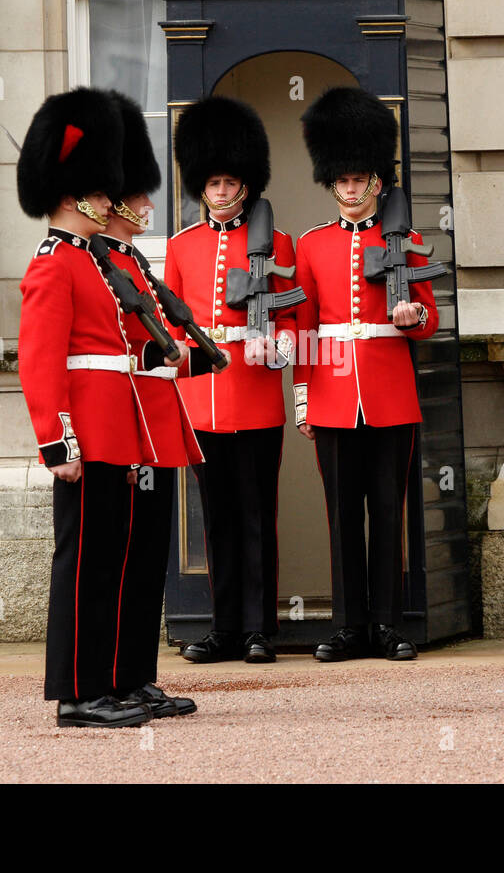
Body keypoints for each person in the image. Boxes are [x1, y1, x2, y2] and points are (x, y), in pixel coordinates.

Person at [16, 86, 205, 728]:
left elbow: (125, 348)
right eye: (101, 192)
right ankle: (76, 693)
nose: (111, 199)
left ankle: (121, 680)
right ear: (77, 196)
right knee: (86, 562)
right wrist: (56, 440)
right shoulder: (53, 266)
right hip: (89, 432)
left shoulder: (96, 261)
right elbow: (41, 363)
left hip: (122, 423)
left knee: (124, 560)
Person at [293, 86, 440, 662]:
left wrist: (412, 316)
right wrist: (303, 395)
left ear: (378, 181)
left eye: (360, 180)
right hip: (331, 393)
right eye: (343, 181)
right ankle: (349, 626)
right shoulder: (311, 245)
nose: (351, 190)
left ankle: (388, 625)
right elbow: (304, 326)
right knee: (340, 516)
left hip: (389, 393)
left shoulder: (405, 240)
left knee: (388, 512)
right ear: (332, 184)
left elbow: (427, 322)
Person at [164, 96, 299, 664]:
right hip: (202, 402)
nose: (220, 192)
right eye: (212, 182)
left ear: (246, 184)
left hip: (256, 395)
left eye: (229, 182)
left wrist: (277, 347)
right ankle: (224, 628)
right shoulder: (180, 246)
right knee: (216, 521)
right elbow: (172, 324)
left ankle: (258, 629)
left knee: (256, 518)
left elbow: (294, 322)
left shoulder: (278, 243)